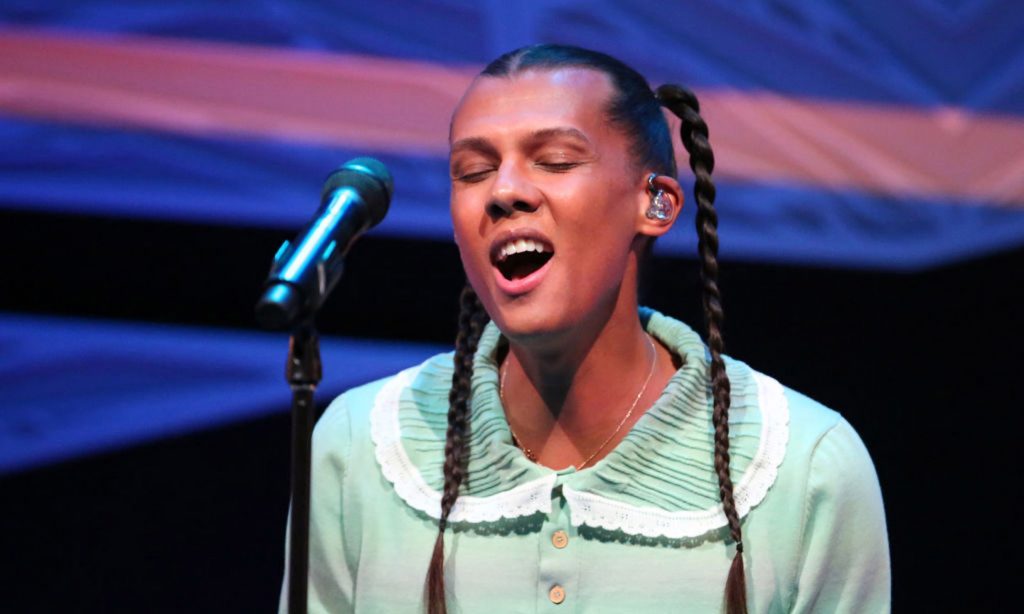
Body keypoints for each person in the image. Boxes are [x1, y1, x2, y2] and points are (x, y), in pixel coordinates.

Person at [280, 44, 890, 613]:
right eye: (472, 171)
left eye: (555, 161)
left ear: (655, 204)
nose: (505, 191)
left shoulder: (803, 469)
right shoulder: (363, 445)